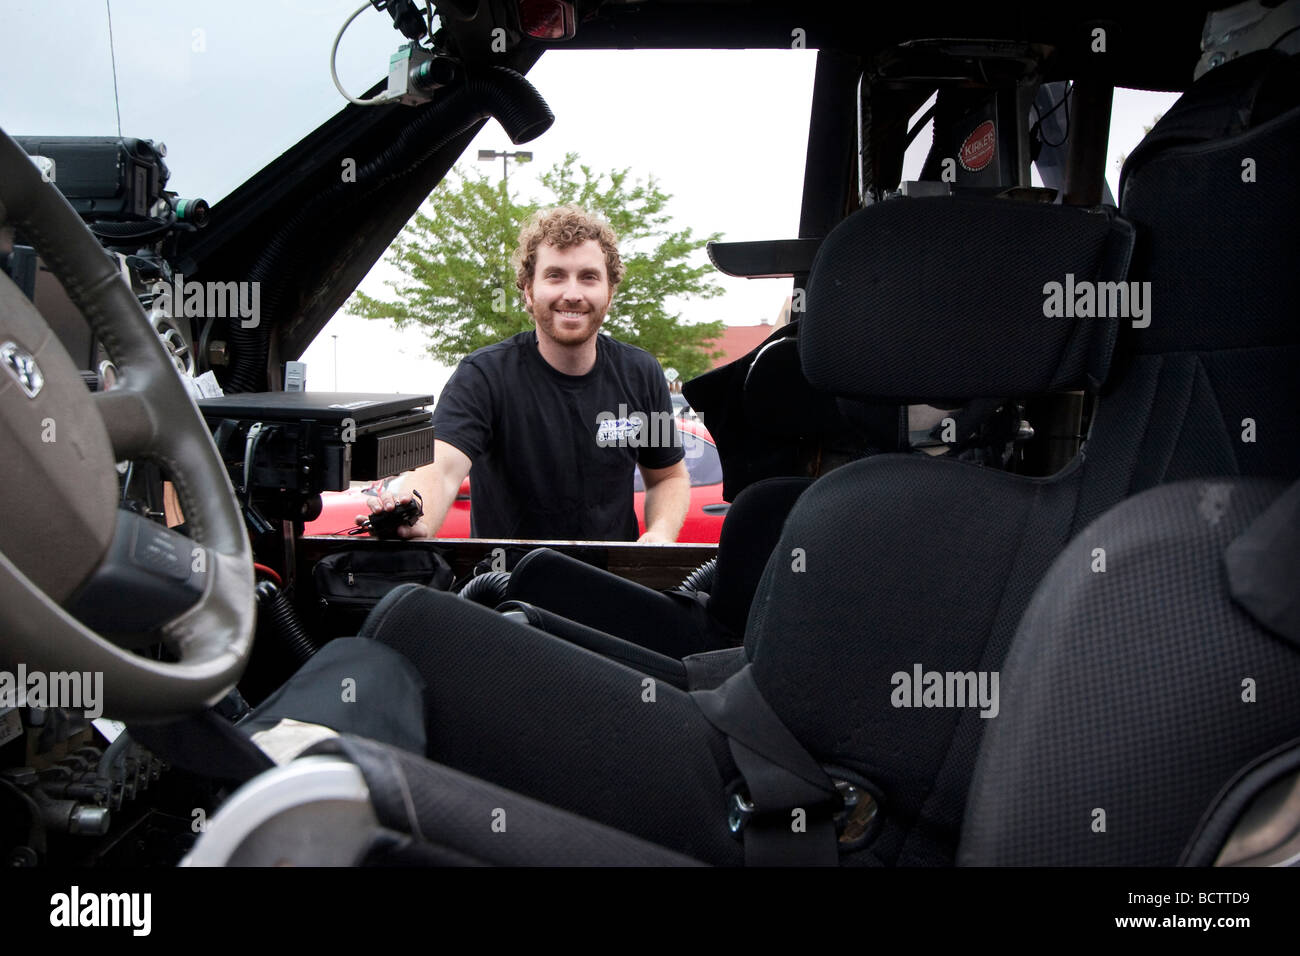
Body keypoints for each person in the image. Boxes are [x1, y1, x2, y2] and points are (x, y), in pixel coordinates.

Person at [359, 204, 690, 542]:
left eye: (589, 277)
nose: (573, 294)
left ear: (609, 292)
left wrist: (660, 533)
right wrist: (417, 513)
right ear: (529, 292)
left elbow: (668, 477)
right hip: (506, 587)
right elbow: (442, 467)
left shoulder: (641, 373)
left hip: (608, 586)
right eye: (555, 275)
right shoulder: (483, 376)